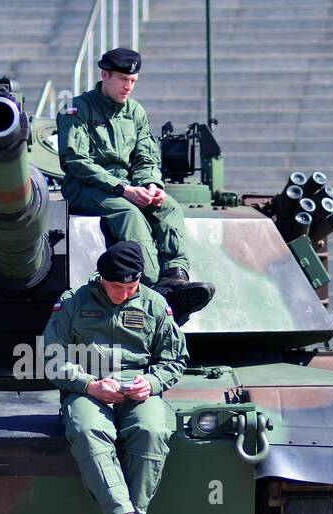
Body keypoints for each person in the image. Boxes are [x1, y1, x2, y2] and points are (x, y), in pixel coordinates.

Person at [42, 240, 188, 514]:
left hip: (139, 384)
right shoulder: (73, 302)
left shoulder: (154, 305)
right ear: (100, 278)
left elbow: (175, 359)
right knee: (86, 429)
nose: (123, 294)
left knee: (151, 430)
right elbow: (53, 357)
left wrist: (150, 383)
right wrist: (88, 385)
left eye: (131, 287)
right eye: (115, 287)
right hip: (88, 384)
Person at [56, 47, 214, 325]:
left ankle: (176, 275)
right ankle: (155, 287)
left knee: (168, 208)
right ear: (105, 75)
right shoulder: (76, 109)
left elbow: (145, 156)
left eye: (133, 81)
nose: (128, 86)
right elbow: (76, 162)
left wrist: (151, 185)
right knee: (128, 214)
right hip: (87, 187)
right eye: (123, 80)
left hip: (128, 186)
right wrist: (123, 189)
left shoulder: (135, 112)